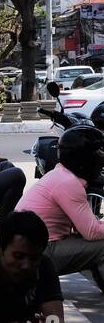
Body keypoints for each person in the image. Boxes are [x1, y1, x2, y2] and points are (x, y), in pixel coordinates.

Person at [16, 125, 104, 291]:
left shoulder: (59, 174)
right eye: (98, 154)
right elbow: (91, 232)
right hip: (36, 253)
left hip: (24, 249)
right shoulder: (68, 183)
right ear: (85, 159)